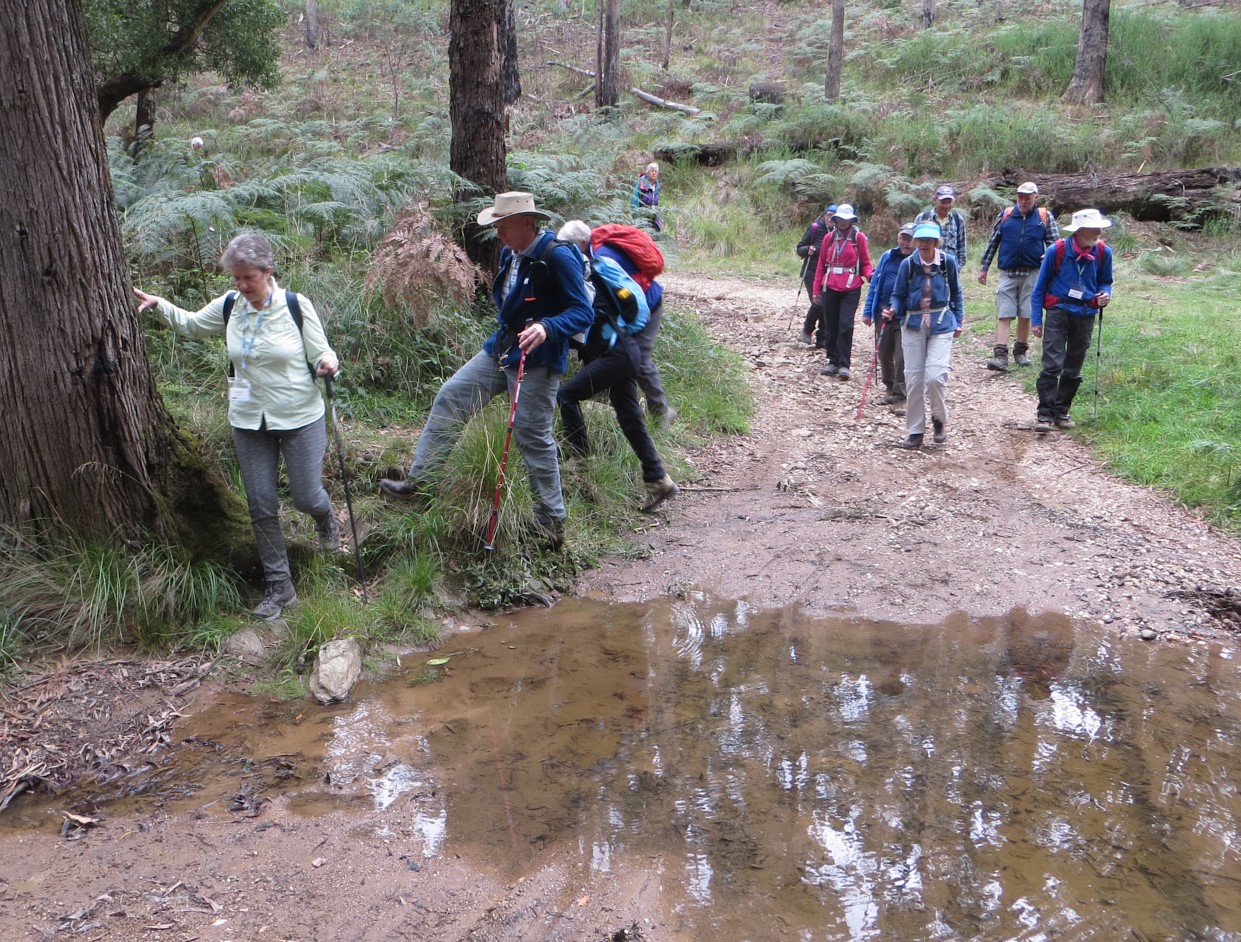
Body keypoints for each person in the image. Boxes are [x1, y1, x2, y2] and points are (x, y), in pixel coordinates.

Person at [133, 233, 340, 621]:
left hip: (299, 416)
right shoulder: (230, 305)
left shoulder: (295, 306)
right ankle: (280, 587)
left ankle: (324, 516)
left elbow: (322, 351)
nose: (242, 285)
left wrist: (328, 363)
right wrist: (161, 305)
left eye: (249, 278)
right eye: (237, 278)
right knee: (260, 504)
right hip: (248, 419)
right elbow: (193, 326)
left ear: (268, 272)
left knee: (305, 496)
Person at [378, 192, 593, 549]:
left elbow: (583, 312)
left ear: (527, 222)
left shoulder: (557, 256)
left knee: (531, 433)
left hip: (538, 359)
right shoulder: (511, 253)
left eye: (504, 225)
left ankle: (551, 521)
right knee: (452, 396)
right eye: (496, 226)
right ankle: (420, 482)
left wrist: (547, 327)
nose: (498, 233)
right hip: (503, 349)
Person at [556, 222, 679, 512]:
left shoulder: (600, 267)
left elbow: (637, 306)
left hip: (618, 354)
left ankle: (580, 459)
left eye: (565, 247)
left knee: (566, 395)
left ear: (577, 245)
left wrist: (619, 333)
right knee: (629, 417)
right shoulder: (584, 272)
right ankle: (658, 479)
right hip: (617, 355)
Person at [1031, 209, 1114, 432]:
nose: (1098, 232)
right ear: (1079, 231)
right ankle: (1045, 415)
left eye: (1099, 228)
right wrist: (1036, 320)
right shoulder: (1056, 251)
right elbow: (1039, 288)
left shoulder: (1104, 252)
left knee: (1073, 367)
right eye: (1093, 228)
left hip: (1086, 314)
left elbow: (1106, 282)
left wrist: (1106, 294)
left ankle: (1062, 411)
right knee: (1052, 364)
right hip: (1058, 311)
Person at [885, 222, 964, 449]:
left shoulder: (947, 262)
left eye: (928, 240)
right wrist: (893, 309)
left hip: (941, 323)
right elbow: (897, 295)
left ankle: (939, 420)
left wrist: (959, 320)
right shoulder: (908, 264)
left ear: (936, 242)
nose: (923, 244)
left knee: (935, 376)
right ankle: (915, 431)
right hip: (912, 323)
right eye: (920, 240)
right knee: (913, 379)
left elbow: (957, 293)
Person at [977, 181, 1059, 371]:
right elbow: (993, 242)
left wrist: (1050, 257)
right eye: (1020, 197)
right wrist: (984, 268)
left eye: (1027, 198)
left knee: (1026, 313)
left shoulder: (1044, 217)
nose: (1023, 201)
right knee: (1004, 312)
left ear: (1035, 197)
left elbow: (1055, 244)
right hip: (1008, 272)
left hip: (1033, 273)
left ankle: (1020, 352)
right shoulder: (1006, 215)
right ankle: (1000, 356)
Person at [811, 204, 873, 380]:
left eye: (846, 219)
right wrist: (816, 290)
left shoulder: (858, 238)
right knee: (830, 324)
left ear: (851, 220)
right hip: (830, 286)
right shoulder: (829, 238)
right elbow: (821, 265)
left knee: (845, 324)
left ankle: (844, 364)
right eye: (840, 219)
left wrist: (871, 276)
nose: (843, 222)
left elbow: (865, 262)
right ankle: (833, 360)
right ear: (836, 220)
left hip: (851, 286)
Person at [862, 222, 915, 405]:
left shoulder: (917, 261)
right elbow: (875, 285)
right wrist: (868, 311)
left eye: (909, 239)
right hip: (882, 312)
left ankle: (901, 395)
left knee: (901, 357)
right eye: (903, 238)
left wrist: (898, 307)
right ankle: (889, 386)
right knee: (884, 354)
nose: (905, 243)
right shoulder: (887, 256)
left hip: (905, 316)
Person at [795, 204, 835, 347]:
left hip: (829, 274)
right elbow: (799, 248)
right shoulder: (815, 228)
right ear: (824, 215)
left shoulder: (839, 232)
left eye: (834, 216)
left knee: (827, 305)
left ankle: (821, 338)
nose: (830, 218)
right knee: (818, 303)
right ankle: (807, 329)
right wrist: (808, 249)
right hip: (811, 272)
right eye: (828, 214)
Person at [915, 185, 968, 269]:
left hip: (950, 269)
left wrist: (957, 269)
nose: (946, 206)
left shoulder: (958, 220)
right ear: (935, 200)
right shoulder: (922, 218)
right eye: (943, 202)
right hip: (925, 268)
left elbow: (962, 249)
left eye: (949, 202)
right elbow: (915, 245)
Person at [630, 161, 663, 231]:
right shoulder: (641, 184)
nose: (654, 173)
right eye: (652, 171)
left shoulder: (657, 186)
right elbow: (634, 201)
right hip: (643, 217)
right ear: (647, 172)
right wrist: (636, 218)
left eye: (656, 171)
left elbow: (656, 203)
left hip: (654, 216)